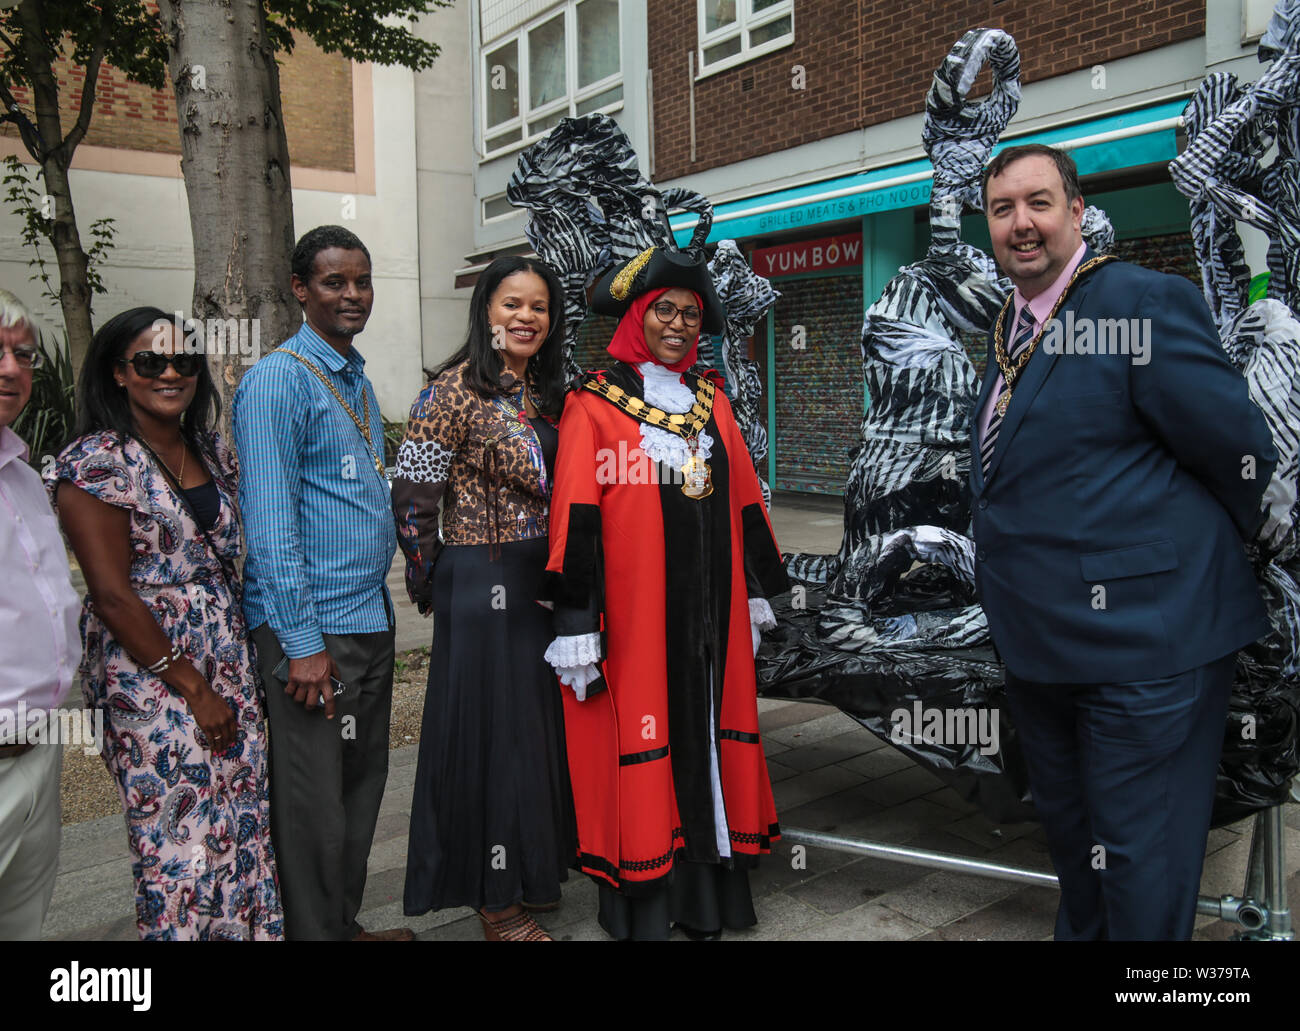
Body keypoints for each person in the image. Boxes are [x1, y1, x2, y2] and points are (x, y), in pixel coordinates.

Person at [971, 143, 1278, 940]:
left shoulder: (1140, 303)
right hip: (1044, 654)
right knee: (1082, 859)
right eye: (1002, 210)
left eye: (1039, 203)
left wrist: (1183, 568)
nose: (1021, 224)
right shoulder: (1011, 331)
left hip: (1147, 653)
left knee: (1142, 870)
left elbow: (1240, 452)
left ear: (1077, 213)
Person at [544, 247, 788, 940]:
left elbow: (744, 498)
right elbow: (576, 515)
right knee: (644, 733)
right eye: (665, 311)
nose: (680, 323)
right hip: (634, 617)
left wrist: (757, 588)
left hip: (710, 612)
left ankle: (708, 895)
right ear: (636, 317)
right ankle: (647, 901)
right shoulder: (592, 404)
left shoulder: (712, 399)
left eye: (690, 312)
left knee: (707, 733)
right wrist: (575, 618)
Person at [48, 306, 282, 940]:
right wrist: (194, 687)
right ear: (119, 373)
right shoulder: (96, 463)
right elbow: (112, 596)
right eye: (151, 362)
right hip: (153, 678)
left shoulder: (207, 446)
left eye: (184, 360)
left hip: (227, 658)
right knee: (180, 848)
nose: (171, 372)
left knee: (242, 824)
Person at [233, 225, 410, 941]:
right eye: (335, 281)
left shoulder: (356, 379)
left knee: (361, 786)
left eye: (362, 280)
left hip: (367, 617)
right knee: (313, 804)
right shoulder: (278, 379)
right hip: (313, 633)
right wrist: (302, 645)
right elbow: (271, 527)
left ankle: (343, 924)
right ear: (300, 289)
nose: (353, 294)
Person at [392, 255, 573, 942]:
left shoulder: (551, 393)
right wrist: (431, 577)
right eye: (511, 304)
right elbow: (411, 497)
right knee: (493, 739)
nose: (526, 317)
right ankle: (496, 902)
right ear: (486, 312)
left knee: (535, 733)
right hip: (483, 578)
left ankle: (530, 868)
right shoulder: (452, 391)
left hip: (544, 580)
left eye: (539, 307)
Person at [0, 291, 80, 940]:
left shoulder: (24, 475)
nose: (10, 368)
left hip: (39, 747)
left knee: (23, 923)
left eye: (22, 353)